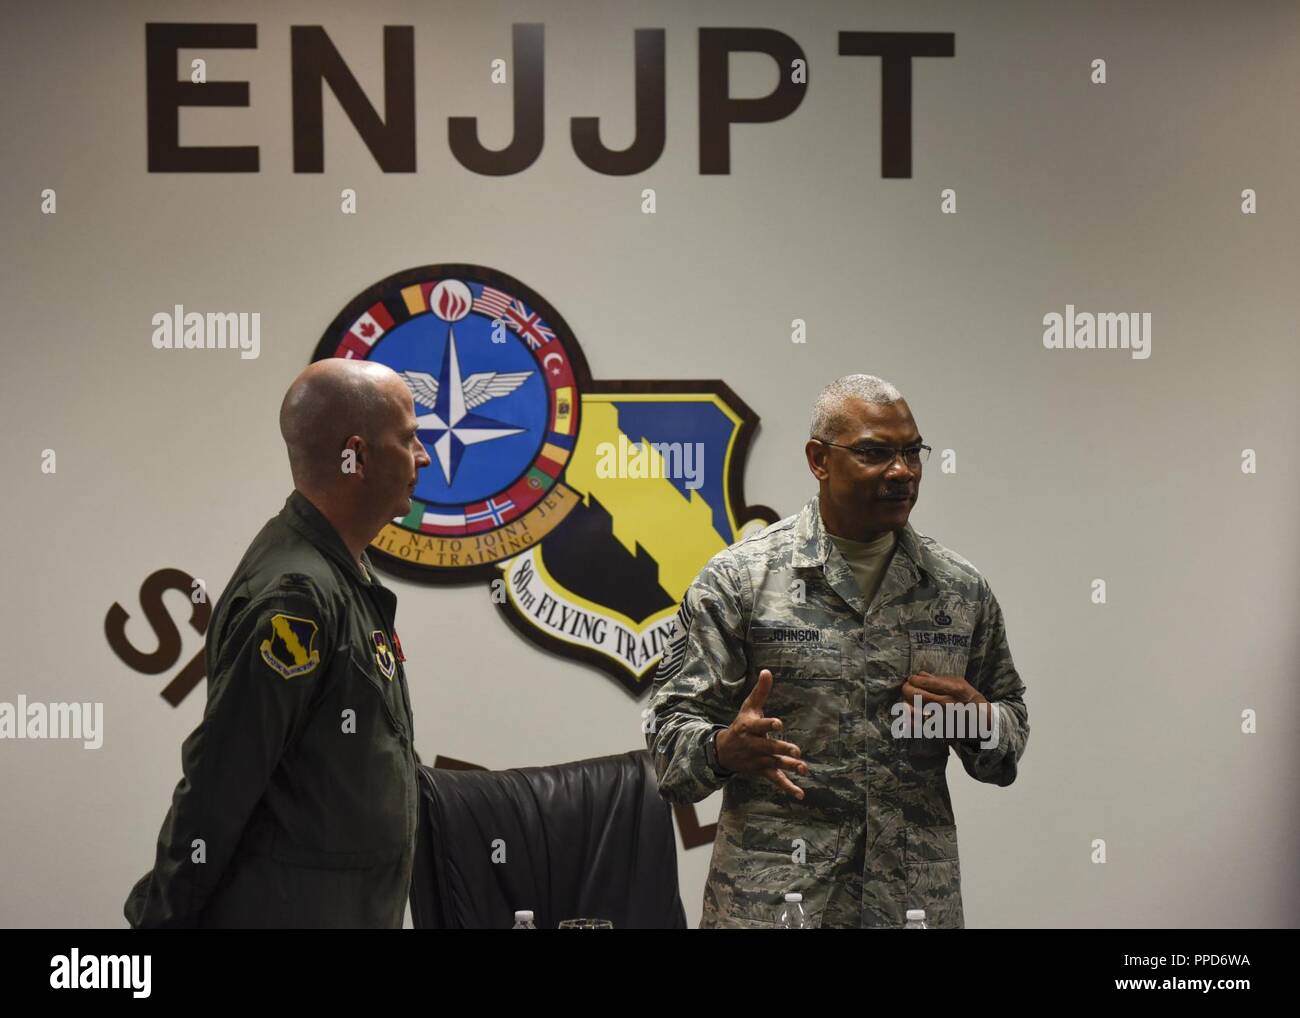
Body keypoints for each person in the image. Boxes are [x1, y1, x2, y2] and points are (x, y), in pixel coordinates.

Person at [645, 374, 1029, 928]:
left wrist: (982, 721)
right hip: (775, 905)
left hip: (912, 907)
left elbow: (1011, 728)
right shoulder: (739, 581)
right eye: (875, 453)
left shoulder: (958, 588)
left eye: (911, 452)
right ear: (819, 460)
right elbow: (667, 743)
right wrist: (723, 750)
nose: (902, 471)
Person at [124, 358, 432, 928]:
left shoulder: (340, 574)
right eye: (409, 440)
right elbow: (218, 786)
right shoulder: (297, 597)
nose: (423, 458)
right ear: (356, 456)